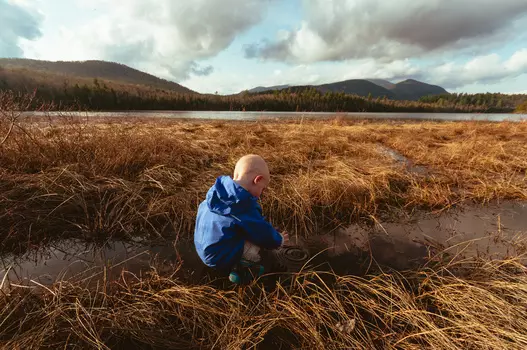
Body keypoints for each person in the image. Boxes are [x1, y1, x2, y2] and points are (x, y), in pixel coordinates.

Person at [194, 154, 289, 283]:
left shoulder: (215, 195)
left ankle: (228, 259)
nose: (262, 193)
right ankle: (243, 270)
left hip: (201, 247)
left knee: (239, 228)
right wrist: (279, 240)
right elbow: (262, 234)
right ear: (257, 180)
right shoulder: (243, 206)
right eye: (263, 188)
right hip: (218, 257)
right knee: (254, 246)